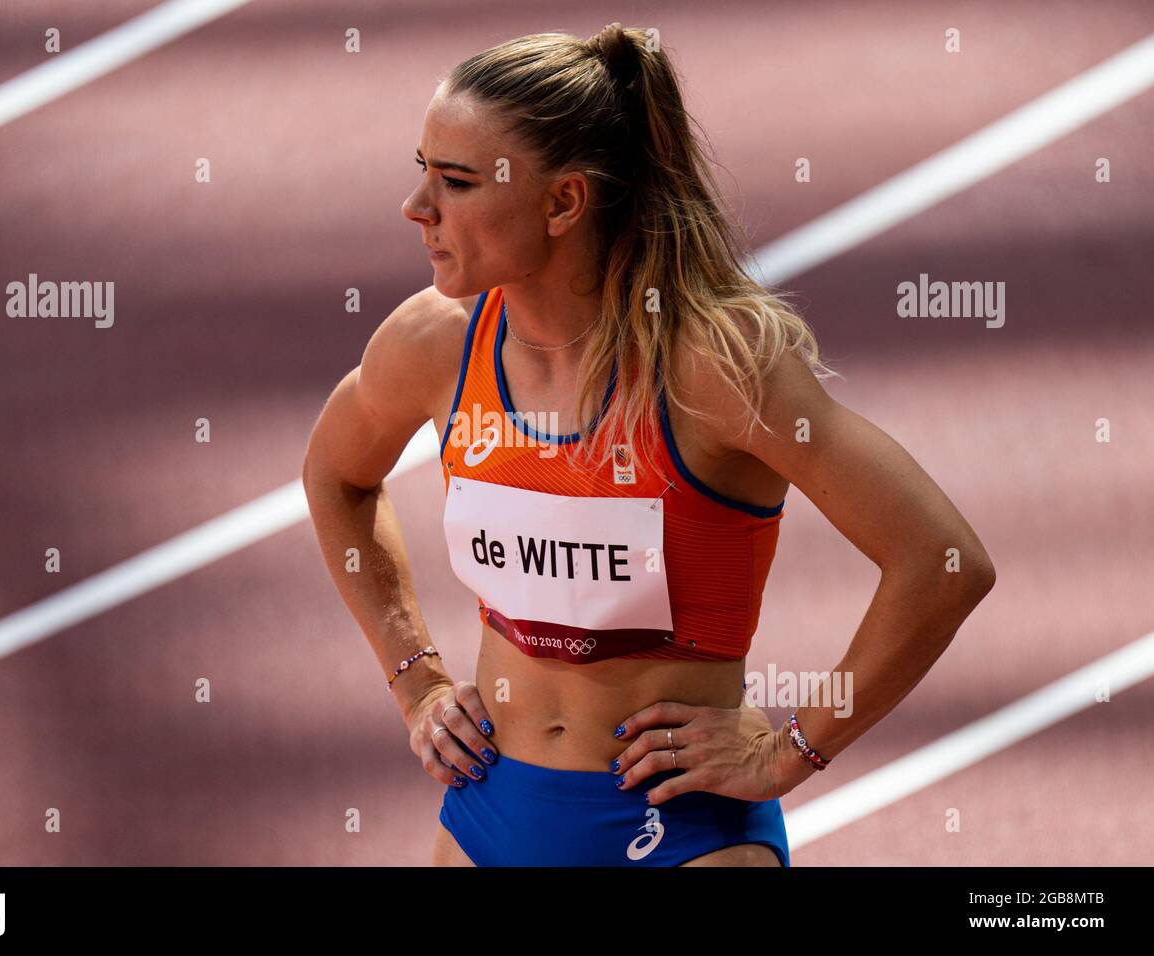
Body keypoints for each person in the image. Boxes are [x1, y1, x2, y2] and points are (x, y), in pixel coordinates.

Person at [303, 23, 995, 866]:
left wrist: (793, 749)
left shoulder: (711, 368)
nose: (417, 209)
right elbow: (336, 476)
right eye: (423, 173)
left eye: (456, 182)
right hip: (490, 811)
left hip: (679, 831)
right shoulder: (435, 343)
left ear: (563, 202)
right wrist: (415, 678)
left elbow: (942, 560)